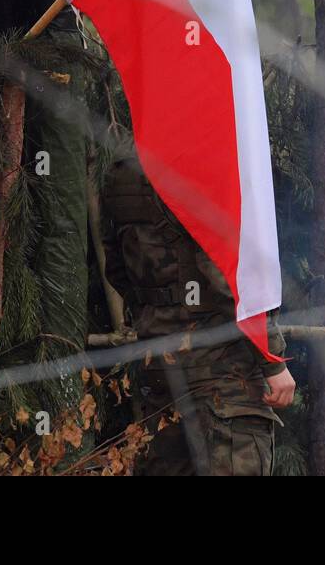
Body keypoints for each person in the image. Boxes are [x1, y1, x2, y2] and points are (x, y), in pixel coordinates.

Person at [102, 153, 295, 475]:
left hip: (162, 369)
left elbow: (117, 267)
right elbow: (228, 275)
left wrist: (160, 314)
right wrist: (271, 357)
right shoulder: (206, 156)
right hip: (224, 375)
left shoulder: (123, 171)